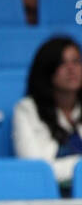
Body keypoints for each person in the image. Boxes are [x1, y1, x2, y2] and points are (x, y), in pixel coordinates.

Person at [12, 36, 82, 193]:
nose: (72, 69)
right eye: (62, 63)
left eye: (76, 61)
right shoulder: (26, 110)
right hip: (46, 200)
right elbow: (34, 171)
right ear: (47, 70)